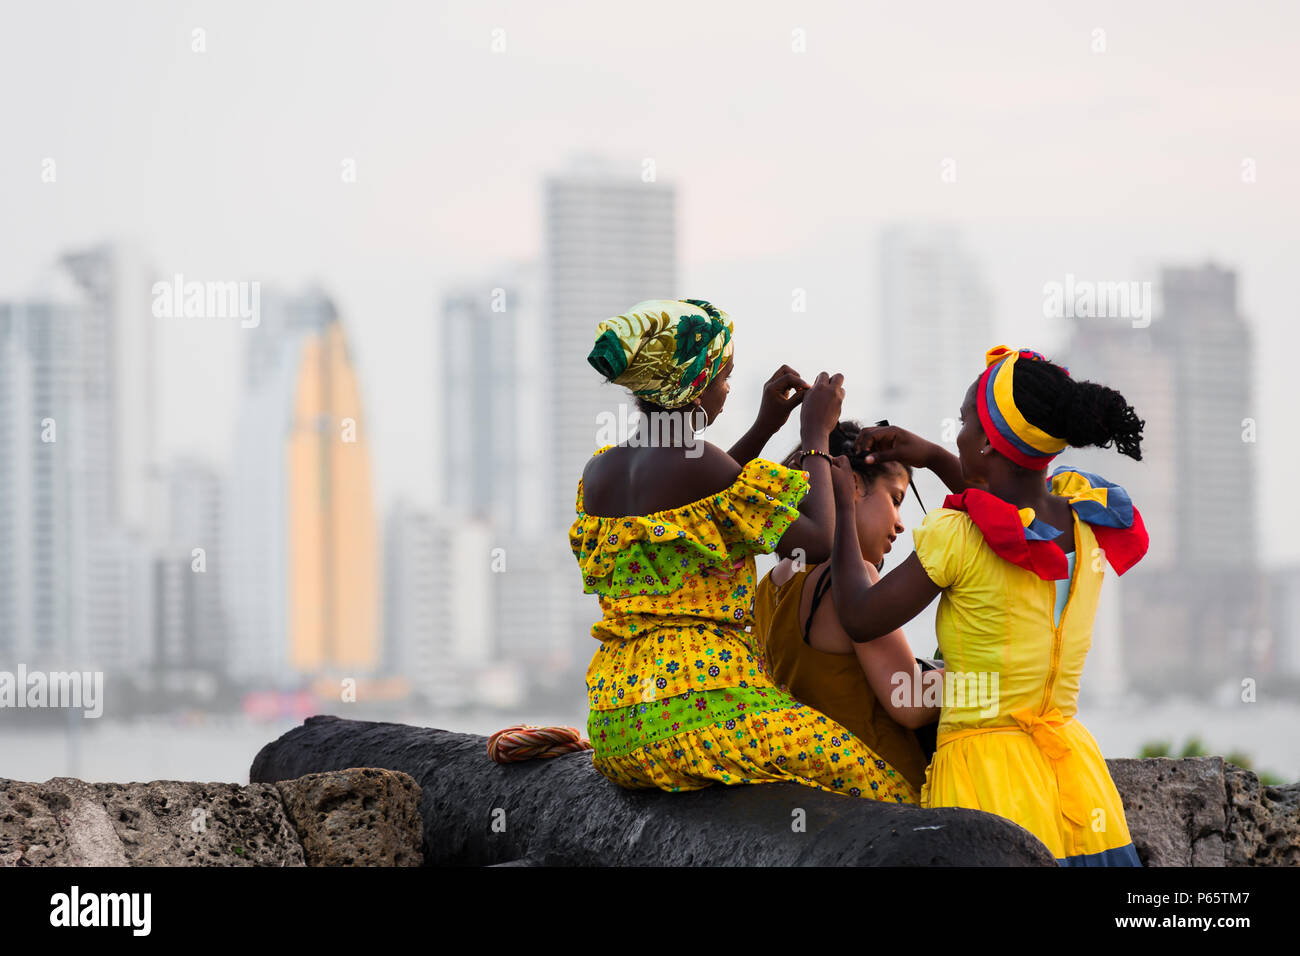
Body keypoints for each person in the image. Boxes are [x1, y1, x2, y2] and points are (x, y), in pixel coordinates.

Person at [571, 299, 918, 802]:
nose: (728, 390)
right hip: (700, 706)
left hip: (617, 718)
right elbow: (819, 538)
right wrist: (815, 435)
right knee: (887, 792)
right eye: (723, 377)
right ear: (692, 386)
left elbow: (701, 503)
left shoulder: (601, 470)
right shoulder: (700, 466)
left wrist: (765, 427)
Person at [821, 345, 1149, 865]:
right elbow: (1004, 516)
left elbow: (860, 616)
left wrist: (841, 506)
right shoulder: (1085, 520)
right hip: (1078, 782)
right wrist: (929, 455)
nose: (959, 431)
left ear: (990, 447)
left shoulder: (960, 536)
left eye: (967, 420)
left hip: (988, 780)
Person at [751, 420, 966, 793]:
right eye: (895, 499)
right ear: (852, 485)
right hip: (885, 792)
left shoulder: (768, 587)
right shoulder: (848, 580)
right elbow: (909, 700)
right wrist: (979, 675)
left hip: (816, 791)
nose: (900, 524)